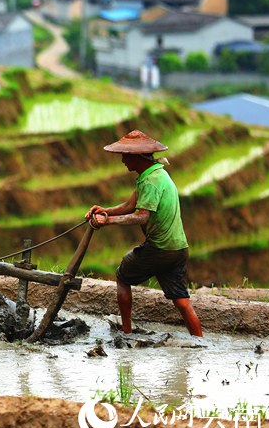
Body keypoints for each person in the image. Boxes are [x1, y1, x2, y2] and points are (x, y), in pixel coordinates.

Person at [85, 130, 202, 337]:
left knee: (122, 276)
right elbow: (131, 205)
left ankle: (126, 331)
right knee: (181, 300)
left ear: (136, 157)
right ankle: (199, 341)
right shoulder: (156, 174)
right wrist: (105, 210)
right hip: (178, 248)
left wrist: (108, 221)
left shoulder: (150, 181)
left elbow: (141, 216)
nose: (122, 160)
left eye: (125, 155)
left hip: (160, 248)